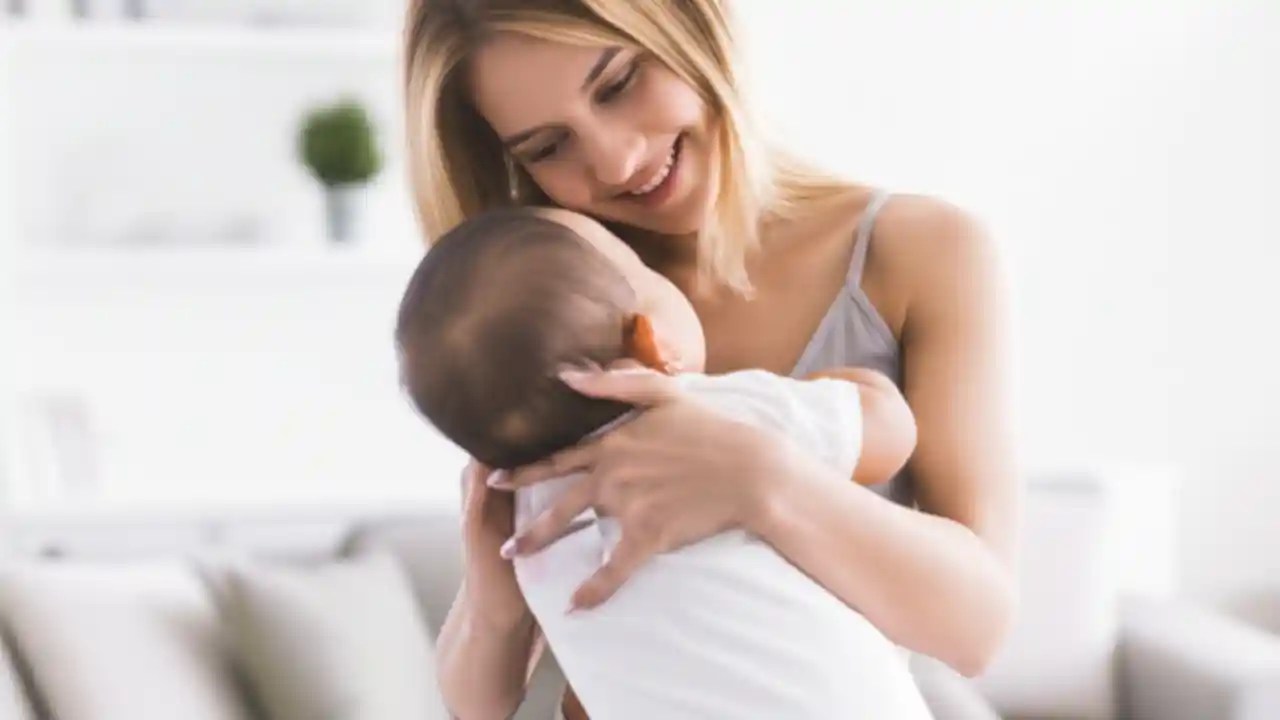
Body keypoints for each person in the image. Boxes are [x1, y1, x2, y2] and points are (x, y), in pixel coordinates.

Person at [404, 1, 1020, 718]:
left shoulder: (919, 251)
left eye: (618, 83)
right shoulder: (550, 318)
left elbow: (979, 629)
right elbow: (476, 702)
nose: (615, 159)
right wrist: (494, 600)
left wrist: (761, 478)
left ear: (688, 24)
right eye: (547, 147)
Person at [395, 205, 930, 718]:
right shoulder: (712, 417)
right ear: (652, 340)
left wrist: (493, 607)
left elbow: (477, 706)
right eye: (647, 272)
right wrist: (811, 396)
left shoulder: (531, 515)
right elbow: (891, 430)